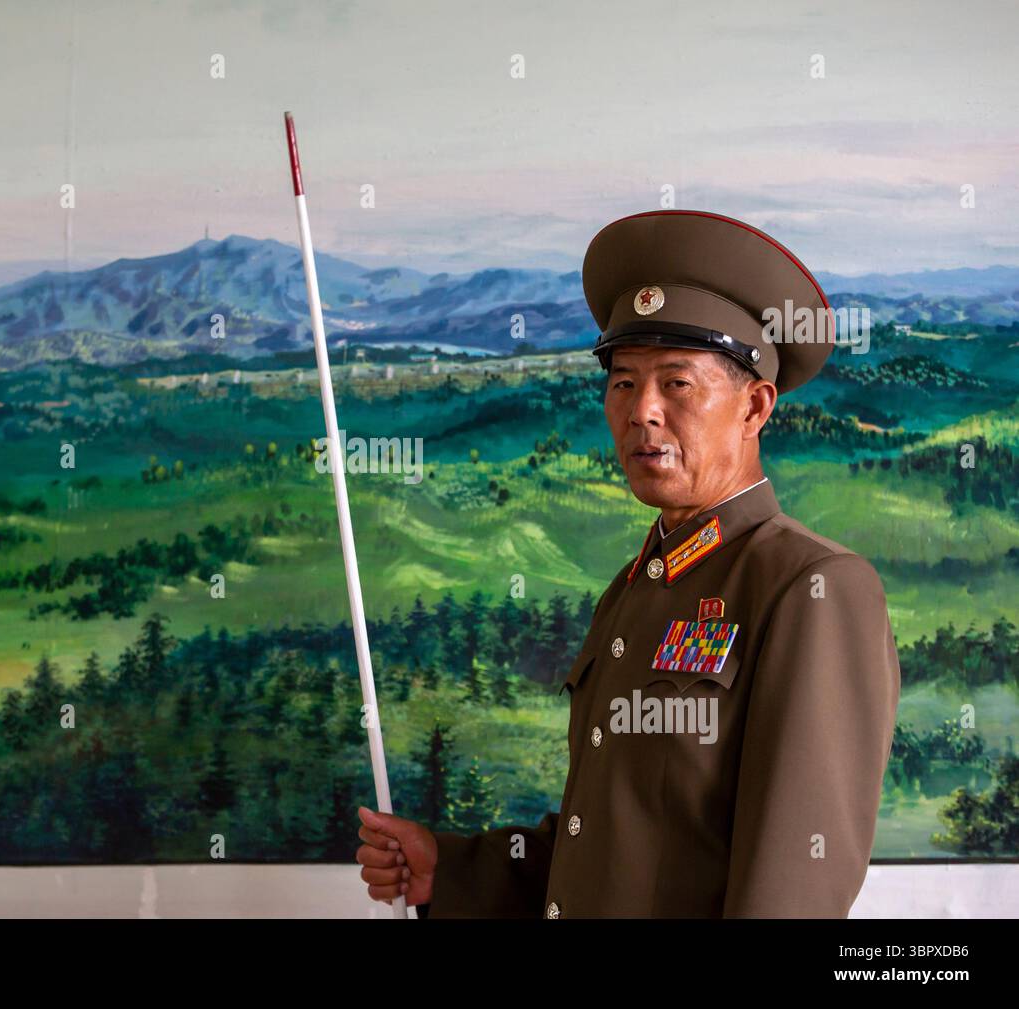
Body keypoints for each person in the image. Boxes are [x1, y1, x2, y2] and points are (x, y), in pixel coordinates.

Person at [355, 210, 901, 917]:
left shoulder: (811, 588)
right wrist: (451, 870)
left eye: (677, 383)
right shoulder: (636, 587)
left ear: (755, 405)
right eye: (622, 383)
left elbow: (788, 890)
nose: (642, 411)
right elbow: (611, 843)